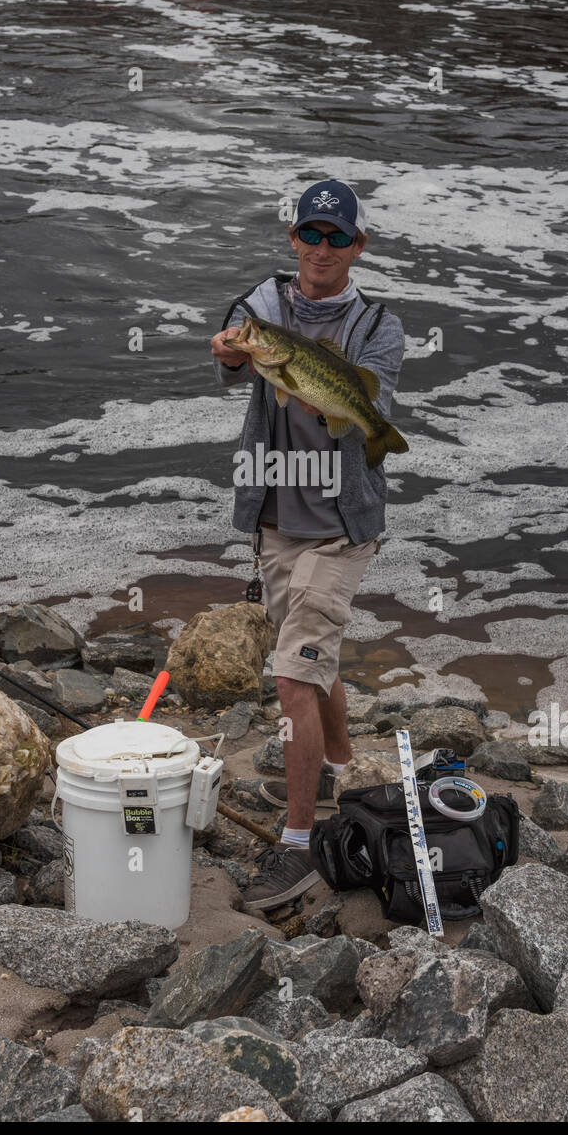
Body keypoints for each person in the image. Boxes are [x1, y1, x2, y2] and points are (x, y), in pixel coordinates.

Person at [209, 178, 406, 909]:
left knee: (293, 675)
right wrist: (233, 354)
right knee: (311, 654)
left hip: (342, 526)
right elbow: (231, 364)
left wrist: (338, 405)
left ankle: (297, 846)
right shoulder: (258, 306)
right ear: (293, 238)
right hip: (275, 518)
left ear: (357, 246)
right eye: (311, 234)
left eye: (337, 237)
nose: (322, 248)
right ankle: (340, 772)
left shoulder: (378, 324)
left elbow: (369, 400)